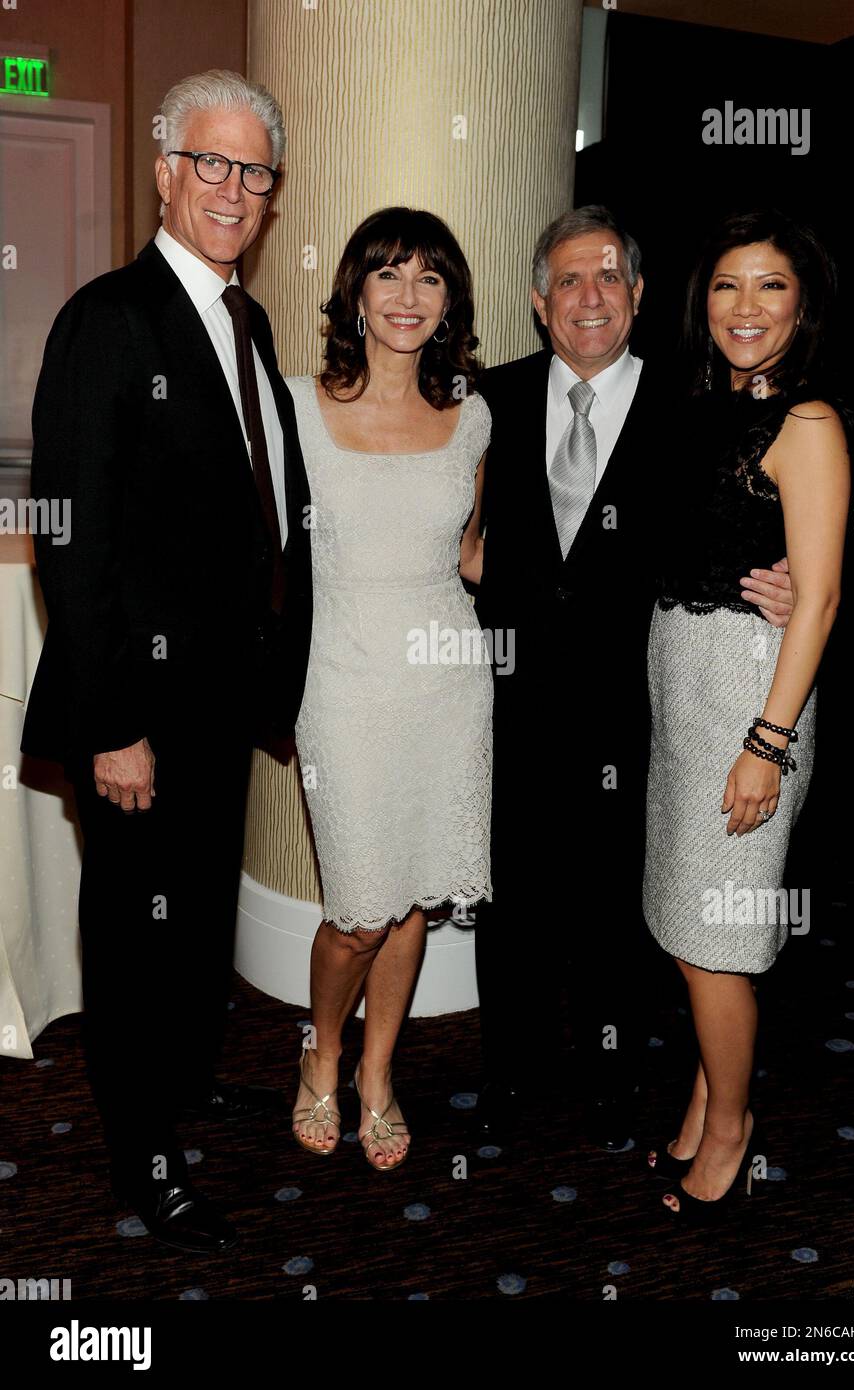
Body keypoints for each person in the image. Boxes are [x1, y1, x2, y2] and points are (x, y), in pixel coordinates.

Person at [21, 70, 312, 1252]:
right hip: (136, 710)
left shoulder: (245, 322)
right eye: (212, 163)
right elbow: (70, 539)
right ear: (163, 172)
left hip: (215, 701)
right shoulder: (110, 318)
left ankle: (183, 1088)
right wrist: (110, 723)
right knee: (137, 939)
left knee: (190, 922)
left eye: (254, 171)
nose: (233, 190)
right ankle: (141, 1153)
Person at [473, 206, 796, 1150]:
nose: (589, 296)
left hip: (645, 703)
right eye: (568, 279)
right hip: (514, 695)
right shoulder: (489, 398)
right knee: (516, 897)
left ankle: (616, 1078)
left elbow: (758, 506)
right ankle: (512, 1072)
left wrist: (791, 577)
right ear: (539, 301)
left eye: (608, 276)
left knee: (623, 903)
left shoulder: (692, 406)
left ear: (640, 295)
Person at [644, 210, 851, 1222]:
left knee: (710, 938)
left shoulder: (805, 423)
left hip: (748, 698)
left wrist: (765, 743)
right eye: (726, 285)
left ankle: (730, 1131)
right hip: (682, 687)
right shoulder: (699, 408)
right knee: (688, 921)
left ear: (800, 304)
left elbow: (815, 597)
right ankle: (700, 1098)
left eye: (768, 286)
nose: (744, 307)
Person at [286, 207, 491, 1170]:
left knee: (411, 901)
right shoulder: (294, 407)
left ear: (449, 301)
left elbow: (473, 556)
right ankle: (319, 1054)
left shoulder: (474, 414)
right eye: (389, 276)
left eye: (430, 279)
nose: (409, 298)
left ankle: (378, 1074)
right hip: (340, 675)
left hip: (446, 683)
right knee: (360, 907)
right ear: (356, 295)